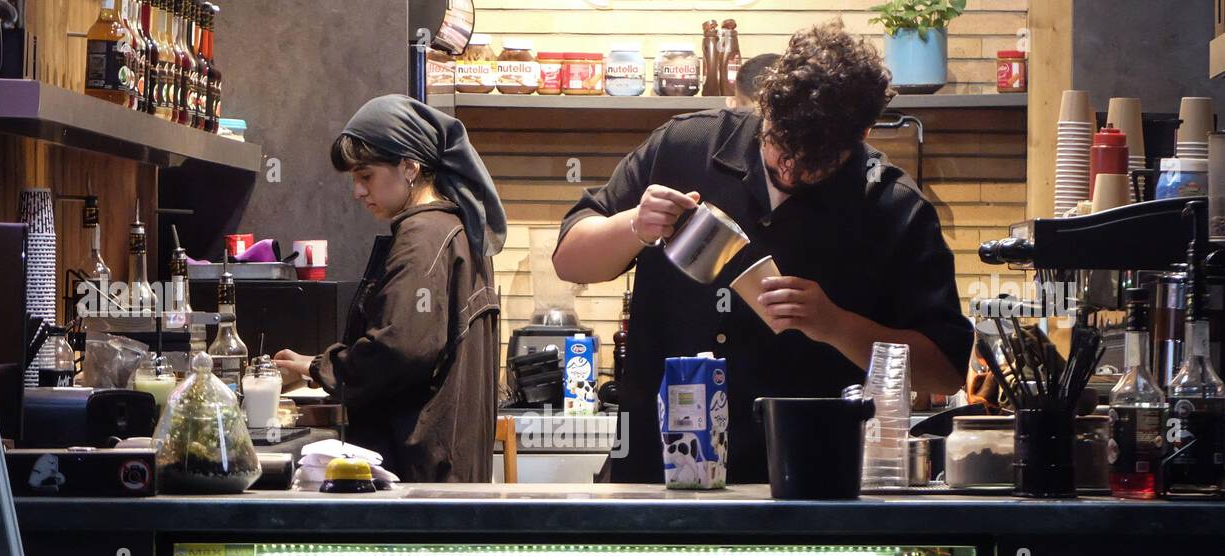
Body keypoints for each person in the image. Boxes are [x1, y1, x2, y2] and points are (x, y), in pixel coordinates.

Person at [553, 22, 973, 484]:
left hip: (805, 487)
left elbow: (944, 373)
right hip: (655, 479)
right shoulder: (685, 147)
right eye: (779, 145)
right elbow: (569, 261)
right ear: (765, 105)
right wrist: (633, 225)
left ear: (863, 134)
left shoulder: (893, 208)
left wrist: (835, 325)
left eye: (814, 161)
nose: (788, 169)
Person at [273, 94, 506, 482]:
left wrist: (319, 368)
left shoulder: (422, 237)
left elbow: (400, 348)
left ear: (410, 166)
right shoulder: (455, 227)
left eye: (366, 176)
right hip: (446, 474)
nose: (358, 192)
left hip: (414, 478)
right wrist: (319, 366)